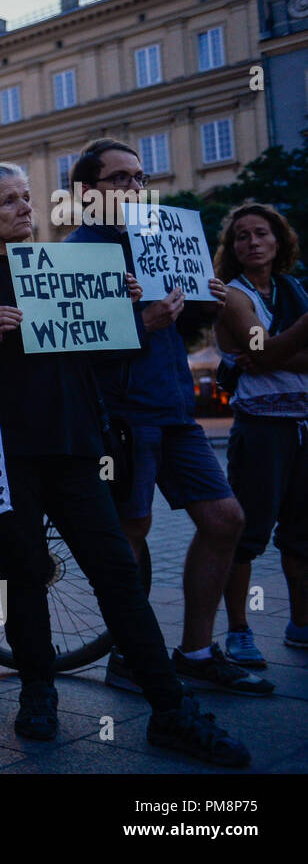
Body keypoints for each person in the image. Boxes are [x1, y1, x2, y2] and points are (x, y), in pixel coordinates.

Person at [0, 162, 250, 766]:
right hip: (7, 450)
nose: (24, 208)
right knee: (26, 570)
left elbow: (104, 350)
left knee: (115, 571)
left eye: (28, 198)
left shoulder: (66, 268)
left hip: (76, 443)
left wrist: (138, 317)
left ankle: (170, 709)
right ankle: (38, 690)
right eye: (8, 201)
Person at [63, 138, 273, 696]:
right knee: (131, 532)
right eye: (120, 179)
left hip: (175, 408)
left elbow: (187, 329)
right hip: (122, 415)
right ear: (88, 193)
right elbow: (75, 348)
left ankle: (197, 651)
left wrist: (205, 301)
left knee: (226, 519)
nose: (135, 187)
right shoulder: (77, 252)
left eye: (139, 177)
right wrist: (144, 322)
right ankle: (130, 657)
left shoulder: (158, 239)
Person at [212, 202, 308, 660]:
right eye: (242, 236)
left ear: (278, 240)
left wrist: (270, 354)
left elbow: (266, 354)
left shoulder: (292, 289)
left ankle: (301, 624)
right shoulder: (233, 295)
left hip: (303, 425)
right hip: (261, 430)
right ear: (232, 249)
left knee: (301, 534)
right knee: (247, 535)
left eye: (262, 233)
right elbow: (261, 352)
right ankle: (239, 632)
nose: (253, 242)